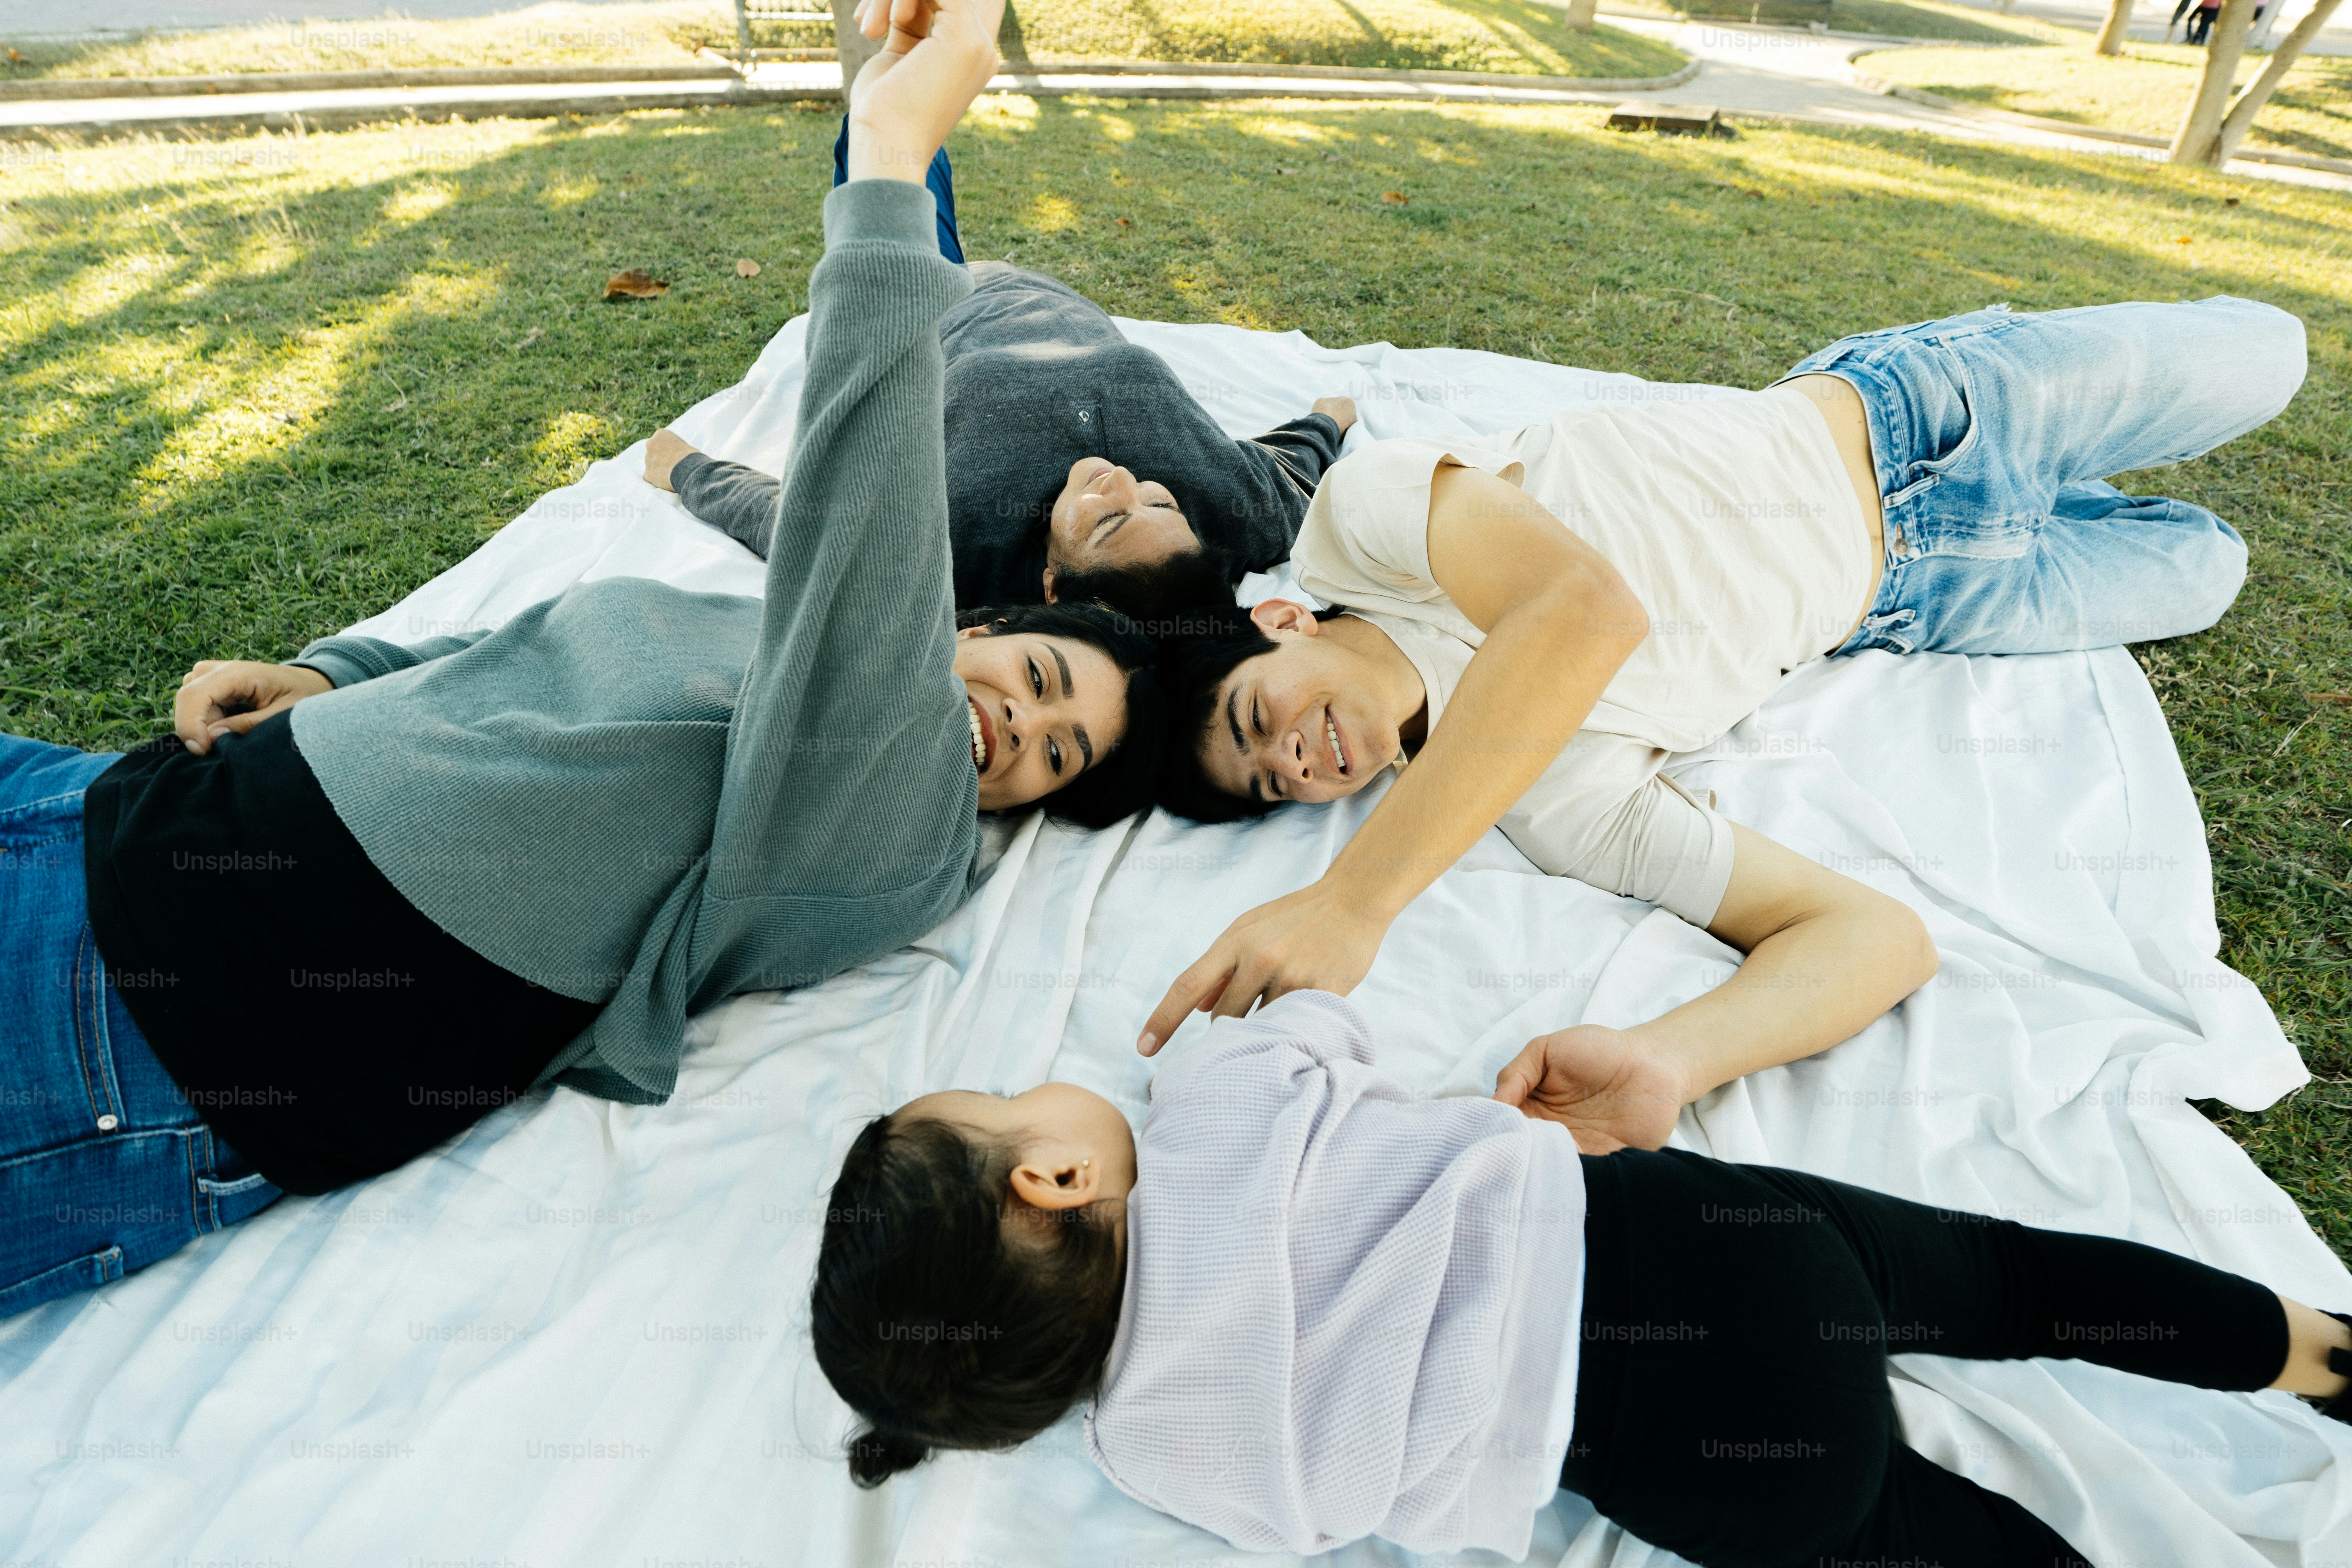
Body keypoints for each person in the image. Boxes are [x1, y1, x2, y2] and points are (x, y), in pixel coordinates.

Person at [0, 0, 1116, 1316]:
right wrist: (339, 674)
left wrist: (891, 164)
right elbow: (527, 654)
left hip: (142, 1023)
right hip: (92, 809)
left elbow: (874, 505)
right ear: (979, 632)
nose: (1019, 739)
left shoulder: (896, 849)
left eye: (1058, 764)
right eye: (1042, 688)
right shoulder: (749, 632)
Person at [1142, 296, 2305, 1152]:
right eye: (1266, 788)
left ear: (1283, 618)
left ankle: (2040, 433)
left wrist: (1353, 902)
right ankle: (2066, 493)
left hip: (1919, 423)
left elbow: (1580, 614)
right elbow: (1874, 938)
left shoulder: (1367, 525)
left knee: (2274, 354)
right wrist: (1673, 1059)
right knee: (2212, 565)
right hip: (1935, 591)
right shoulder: (1543, 803)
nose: (1290, 763)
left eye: (1258, 718)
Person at [811, 990, 2352, 1565]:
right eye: (1015, 1098)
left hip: (1683, 1464)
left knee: (1905, 1534)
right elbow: (1316, 1025)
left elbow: (1313, 1517)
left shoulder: (1155, 1445)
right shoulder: (1209, 1111)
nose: (1049, 1091)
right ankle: (2312, 1352)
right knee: (2010, 1282)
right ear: (1053, 1175)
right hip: (1689, 1251)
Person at [639, 135, 1359, 622]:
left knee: (880, 143)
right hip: (1038, 292)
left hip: (929, 309)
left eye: (1108, 521)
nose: (1123, 482)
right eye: (1161, 505)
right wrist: (1329, 419)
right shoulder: (1230, 521)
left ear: (1052, 583)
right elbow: (1285, 471)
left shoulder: (949, 554)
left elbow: (807, 525)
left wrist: (690, 469)